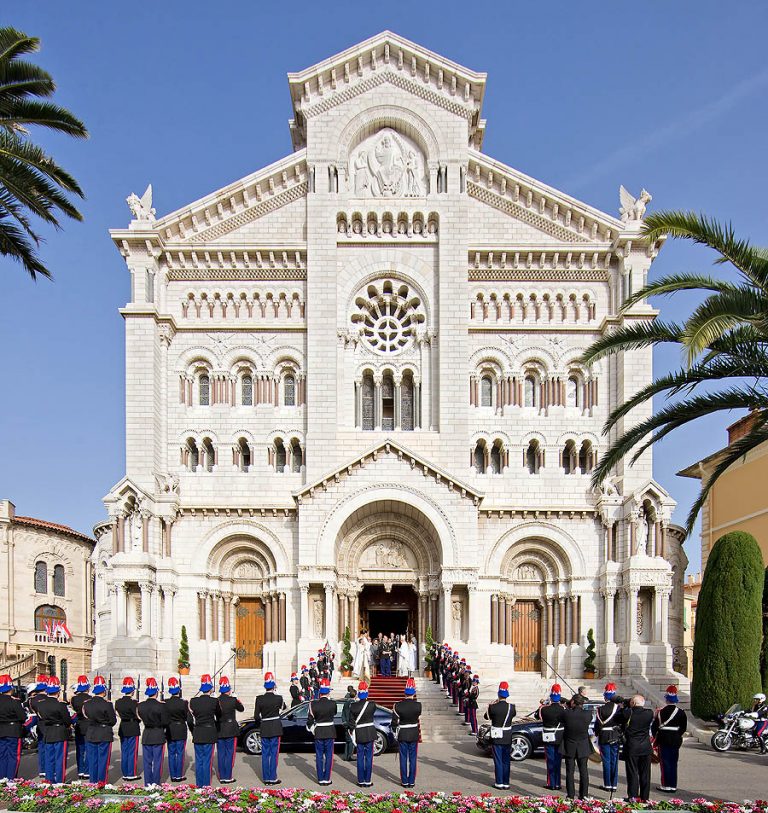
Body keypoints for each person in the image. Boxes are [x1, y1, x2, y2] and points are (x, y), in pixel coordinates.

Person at [651, 685, 688, 793]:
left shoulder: (660, 712)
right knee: (673, 763)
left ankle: (665, 785)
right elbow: (683, 728)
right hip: (675, 739)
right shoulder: (681, 712)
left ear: (666, 699)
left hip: (663, 739)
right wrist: (677, 735)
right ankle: (673, 785)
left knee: (665, 763)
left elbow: (654, 727)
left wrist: (655, 737)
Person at [37, 676, 73, 783]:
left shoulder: (41, 704)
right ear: (58, 692)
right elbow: (67, 721)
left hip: (48, 732)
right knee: (60, 758)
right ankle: (60, 781)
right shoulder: (60, 705)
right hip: (60, 732)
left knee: (49, 758)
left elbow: (41, 717)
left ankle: (49, 780)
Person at [253, 671, 285, 785]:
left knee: (265, 754)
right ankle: (273, 777)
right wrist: (278, 695)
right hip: (275, 727)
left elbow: (256, 716)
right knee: (274, 754)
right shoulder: (278, 698)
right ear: (274, 686)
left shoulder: (259, 699)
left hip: (265, 727)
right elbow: (284, 708)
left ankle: (266, 778)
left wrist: (261, 723)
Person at [621, 694, 654, 801]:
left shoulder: (628, 713)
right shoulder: (649, 713)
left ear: (633, 703)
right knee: (645, 774)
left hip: (632, 746)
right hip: (645, 746)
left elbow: (620, 717)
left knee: (632, 773)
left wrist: (625, 706)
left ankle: (633, 796)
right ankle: (645, 797)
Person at [83, 675, 116, 783]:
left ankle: (93, 782)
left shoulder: (87, 704)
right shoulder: (107, 704)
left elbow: (86, 716)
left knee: (92, 760)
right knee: (103, 760)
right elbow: (113, 721)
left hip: (91, 731)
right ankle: (101, 782)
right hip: (104, 732)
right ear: (104, 690)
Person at [137, 677, 169, 786]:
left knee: (147, 762)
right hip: (158, 734)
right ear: (156, 692)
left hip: (147, 734)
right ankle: (156, 783)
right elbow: (165, 721)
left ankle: (148, 783)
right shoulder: (161, 706)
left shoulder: (141, 705)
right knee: (157, 762)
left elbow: (139, 716)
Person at [484, 680, 515, 790]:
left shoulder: (493, 707)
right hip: (507, 736)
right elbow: (512, 716)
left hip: (497, 737)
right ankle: (506, 783)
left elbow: (486, 717)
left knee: (498, 760)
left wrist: (491, 705)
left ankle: (499, 782)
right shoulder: (512, 707)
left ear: (498, 694)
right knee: (506, 761)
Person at [561, 694, 592, 799]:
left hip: (570, 744)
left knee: (570, 771)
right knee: (583, 771)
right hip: (583, 744)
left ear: (573, 702)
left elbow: (562, 720)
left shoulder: (567, 713)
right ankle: (584, 795)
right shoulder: (588, 714)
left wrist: (568, 706)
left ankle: (570, 795)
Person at [189, 674, 218, 787]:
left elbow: (190, 720)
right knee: (207, 761)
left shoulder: (193, 701)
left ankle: (199, 785)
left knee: (199, 760)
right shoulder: (214, 701)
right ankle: (206, 786)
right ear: (210, 688)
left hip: (198, 732)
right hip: (209, 732)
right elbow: (219, 715)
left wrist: (193, 731)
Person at [392, 677, 421, 788]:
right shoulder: (418, 705)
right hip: (413, 733)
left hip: (403, 733)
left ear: (404, 693)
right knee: (413, 759)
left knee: (403, 759)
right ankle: (411, 781)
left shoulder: (397, 705)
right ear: (414, 693)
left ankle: (404, 781)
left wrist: (395, 733)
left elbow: (394, 722)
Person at [307, 678, 335, 785]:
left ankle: (320, 779)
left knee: (319, 756)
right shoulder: (332, 703)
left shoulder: (313, 704)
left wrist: (313, 729)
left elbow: (310, 721)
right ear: (328, 692)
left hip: (318, 731)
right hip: (329, 731)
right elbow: (334, 713)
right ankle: (326, 778)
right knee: (329, 756)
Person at [537, 684, 565, 791]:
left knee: (550, 761)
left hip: (548, 737)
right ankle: (557, 783)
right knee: (558, 761)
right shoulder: (563, 709)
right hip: (559, 737)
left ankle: (551, 783)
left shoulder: (544, 709)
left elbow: (538, 716)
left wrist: (545, 703)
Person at [165, 676, 193, 782]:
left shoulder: (166, 702)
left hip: (170, 729)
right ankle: (179, 775)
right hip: (181, 728)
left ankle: (173, 775)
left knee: (171, 753)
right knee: (180, 753)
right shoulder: (184, 703)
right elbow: (188, 718)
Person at [594, 682, 621, 792]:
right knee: (614, 760)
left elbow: (597, 725)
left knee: (606, 760)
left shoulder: (600, 709)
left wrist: (596, 734)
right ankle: (614, 785)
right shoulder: (618, 708)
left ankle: (607, 784)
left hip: (604, 736)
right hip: (615, 735)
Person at [216, 676, 243, 784]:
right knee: (230, 754)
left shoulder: (216, 700)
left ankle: (222, 776)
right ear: (229, 689)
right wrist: (237, 699)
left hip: (220, 729)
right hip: (231, 729)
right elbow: (241, 708)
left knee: (221, 754)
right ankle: (228, 776)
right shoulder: (233, 700)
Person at [350, 681, 376, 787]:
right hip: (369, 732)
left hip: (359, 732)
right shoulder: (372, 705)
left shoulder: (353, 706)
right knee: (369, 757)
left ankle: (360, 781)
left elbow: (351, 722)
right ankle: (367, 780)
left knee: (360, 757)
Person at [0, 673, 26, 780]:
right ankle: (11, 778)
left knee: (2, 755)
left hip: (1, 730)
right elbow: (22, 717)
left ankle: (2, 778)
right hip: (13, 730)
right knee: (13, 756)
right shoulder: (14, 701)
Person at [115, 677, 141, 781]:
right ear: (133, 690)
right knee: (132, 752)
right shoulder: (134, 703)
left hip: (123, 726)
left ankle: (125, 773)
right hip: (133, 726)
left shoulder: (118, 702)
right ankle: (131, 773)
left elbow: (117, 713)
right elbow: (138, 716)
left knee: (124, 751)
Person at [27, 674, 49, 778]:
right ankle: (49, 769)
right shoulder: (50, 698)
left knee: (42, 748)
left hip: (39, 724)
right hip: (49, 725)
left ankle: (42, 770)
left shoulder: (32, 700)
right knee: (49, 748)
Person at [70, 675, 91, 779]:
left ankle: (80, 771)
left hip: (78, 724)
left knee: (80, 749)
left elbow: (73, 710)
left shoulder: (73, 699)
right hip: (88, 724)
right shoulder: (90, 699)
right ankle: (87, 771)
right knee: (88, 749)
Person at [340, 685, 357, 762]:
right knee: (351, 741)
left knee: (347, 741)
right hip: (351, 724)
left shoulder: (346, 703)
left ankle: (346, 755)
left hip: (346, 723)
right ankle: (349, 755)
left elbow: (343, 714)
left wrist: (344, 722)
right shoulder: (354, 703)